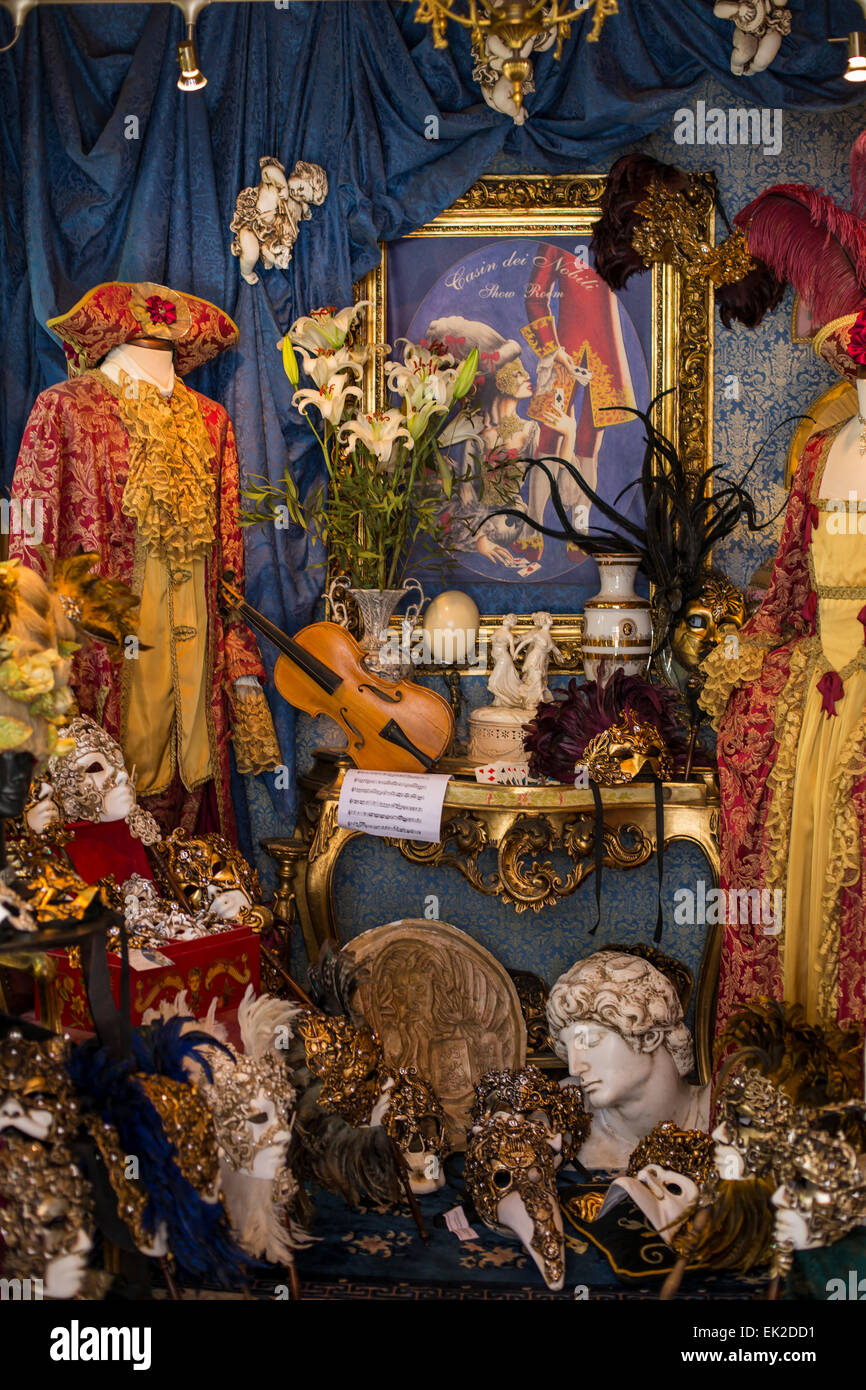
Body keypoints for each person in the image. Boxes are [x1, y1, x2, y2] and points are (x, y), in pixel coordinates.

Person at [547, 950, 709, 1170]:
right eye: (569, 1049)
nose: (575, 1068)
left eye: (591, 1042)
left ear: (650, 1036)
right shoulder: (566, 1118)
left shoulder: (724, 1114)